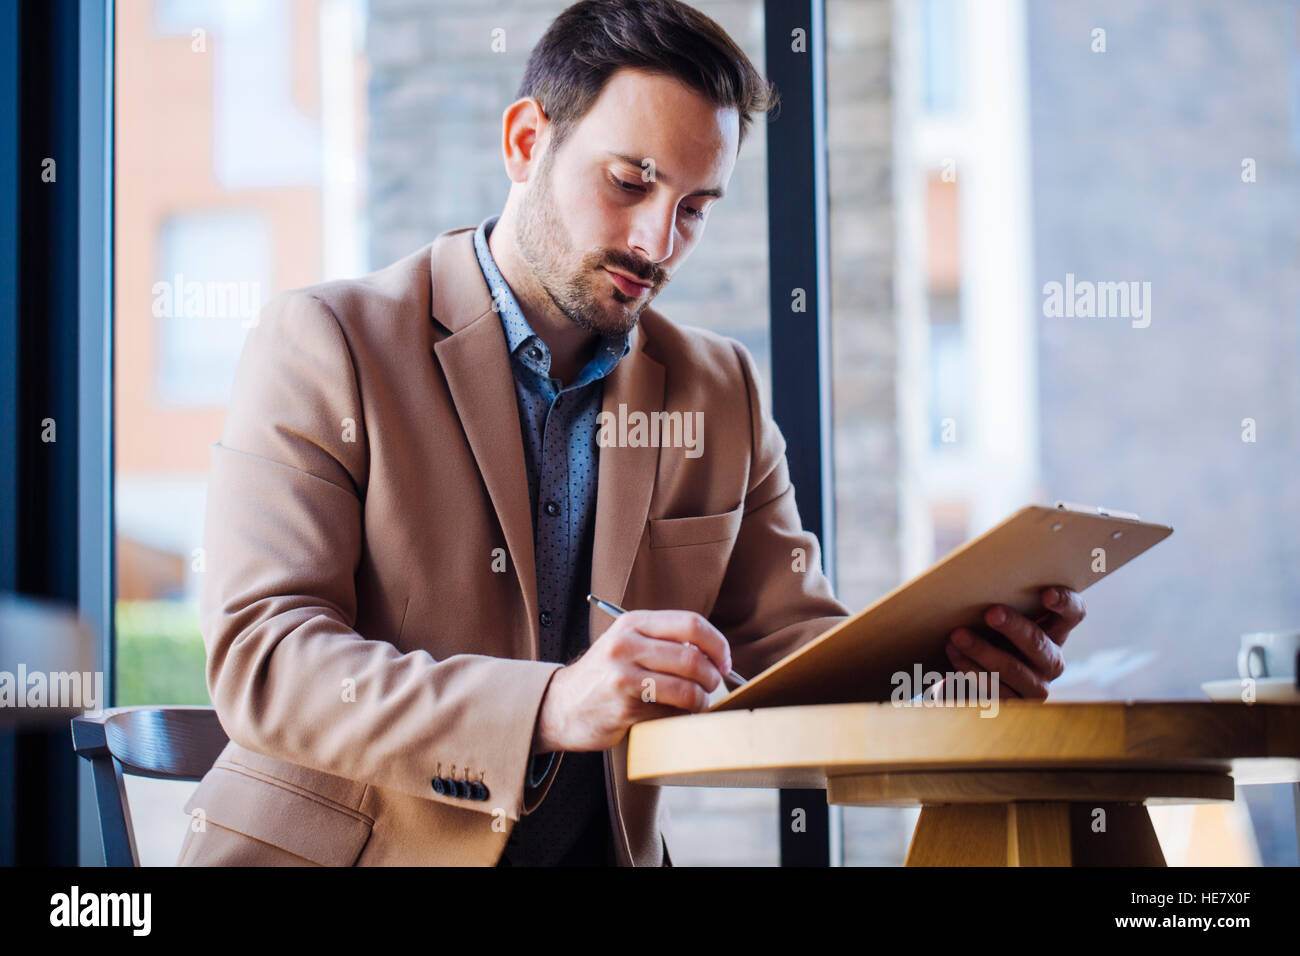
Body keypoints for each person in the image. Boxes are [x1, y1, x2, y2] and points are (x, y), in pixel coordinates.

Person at [177, 0, 1083, 868]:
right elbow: (266, 657)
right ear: (527, 143)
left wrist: (946, 678)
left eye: (695, 207)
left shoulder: (718, 389)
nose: (658, 241)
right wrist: (549, 703)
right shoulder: (328, 340)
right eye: (630, 182)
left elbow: (794, 657)